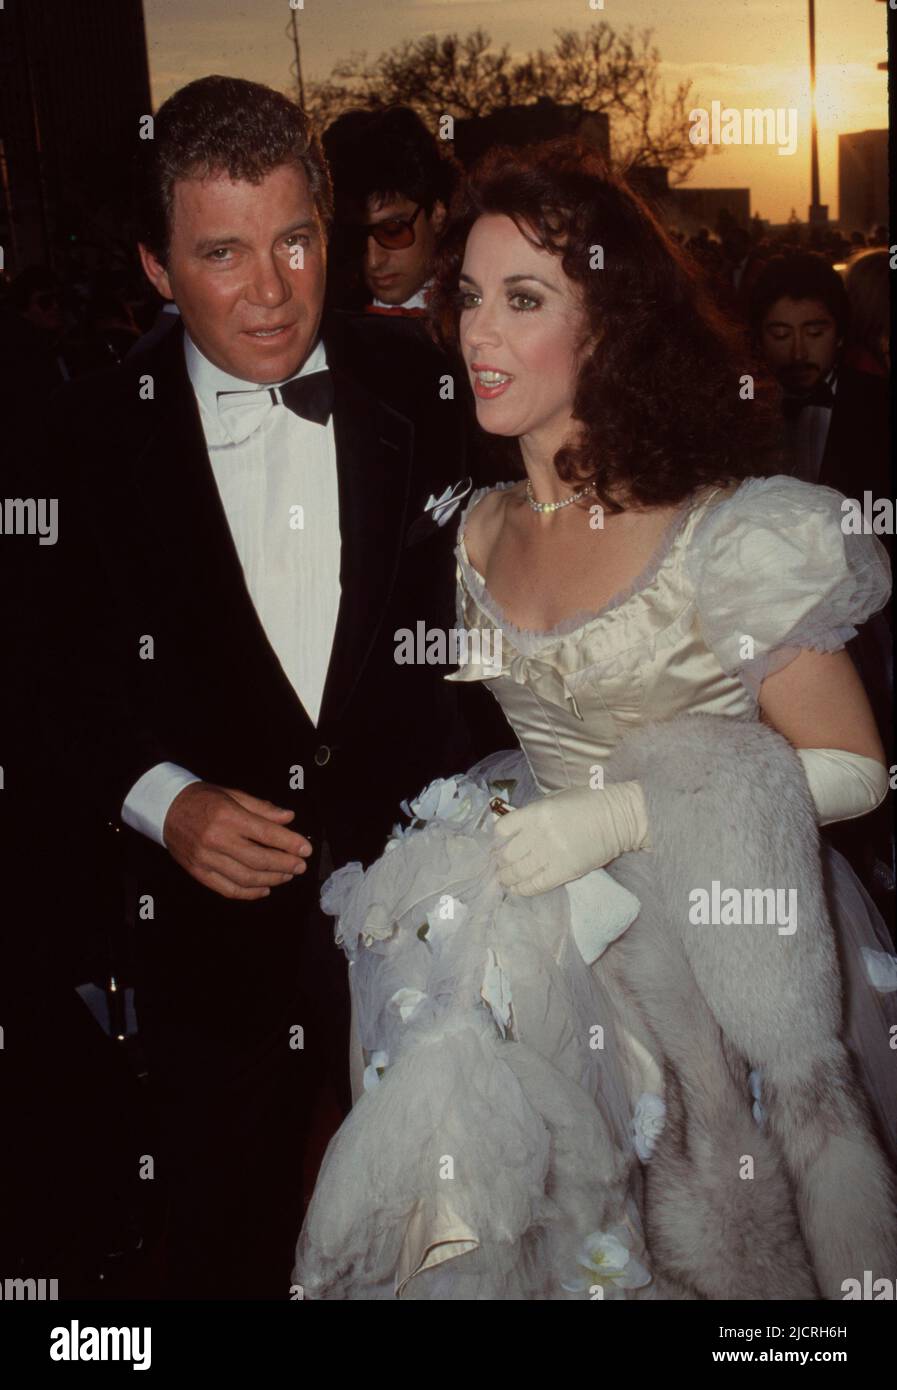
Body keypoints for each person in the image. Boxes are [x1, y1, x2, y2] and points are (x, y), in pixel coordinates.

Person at [295, 139, 897, 1301]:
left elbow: (856, 770)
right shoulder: (471, 535)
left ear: (612, 325)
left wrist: (627, 814)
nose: (478, 332)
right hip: (530, 936)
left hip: (721, 940)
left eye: (525, 300)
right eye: (466, 296)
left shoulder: (736, 533)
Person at [42, 75, 492, 1299]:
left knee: (452, 1240)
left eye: (296, 241)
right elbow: (45, 671)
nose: (273, 290)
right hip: (210, 948)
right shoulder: (78, 437)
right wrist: (163, 799)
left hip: (425, 912)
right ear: (155, 264)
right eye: (223, 253)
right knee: (229, 1238)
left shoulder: (428, 383)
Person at [323, 106, 456, 316]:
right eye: (354, 238)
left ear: (438, 214)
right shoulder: (330, 318)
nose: (374, 261)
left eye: (393, 231)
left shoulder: (474, 315)